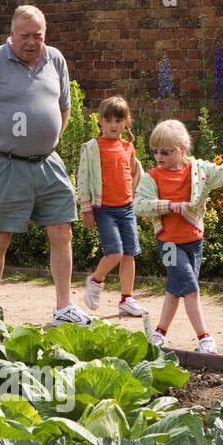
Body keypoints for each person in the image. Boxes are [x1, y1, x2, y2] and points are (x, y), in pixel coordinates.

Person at [0, 4, 91, 326]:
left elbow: (64, 107)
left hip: (48, 164)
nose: (32, 42)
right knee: (0, 237)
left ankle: (63, 308)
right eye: (25, 36)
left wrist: (47, 138)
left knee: (62, 231)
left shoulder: (55, 59)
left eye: (38, 36)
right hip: (6, 164)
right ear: (12, 34)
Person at [133, 119, 223, 353]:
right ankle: (205, 338)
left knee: (174, 289)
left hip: (195, 240)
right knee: (191, 289)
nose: (158, 156)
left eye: (165, 152)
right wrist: (170, 206)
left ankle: (159, 333)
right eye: (154, 152)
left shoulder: (197, 169)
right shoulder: (153, 177)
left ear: (182, 149)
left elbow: (219, 171)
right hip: (169, 243)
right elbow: (139, 205)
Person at [77, 95, 148, 317]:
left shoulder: (128, 147)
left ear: (126, 122)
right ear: (100, 121)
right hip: (104, 209)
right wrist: (86, 210)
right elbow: (83, 179)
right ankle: (96, 280)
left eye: (118, 120)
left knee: (129, 254)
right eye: (108, 121)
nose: (113, 125)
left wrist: (139, 200)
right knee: (115, 253)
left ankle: (127, 299)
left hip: (126, 208)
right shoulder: (92, 147)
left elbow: (135, 175)